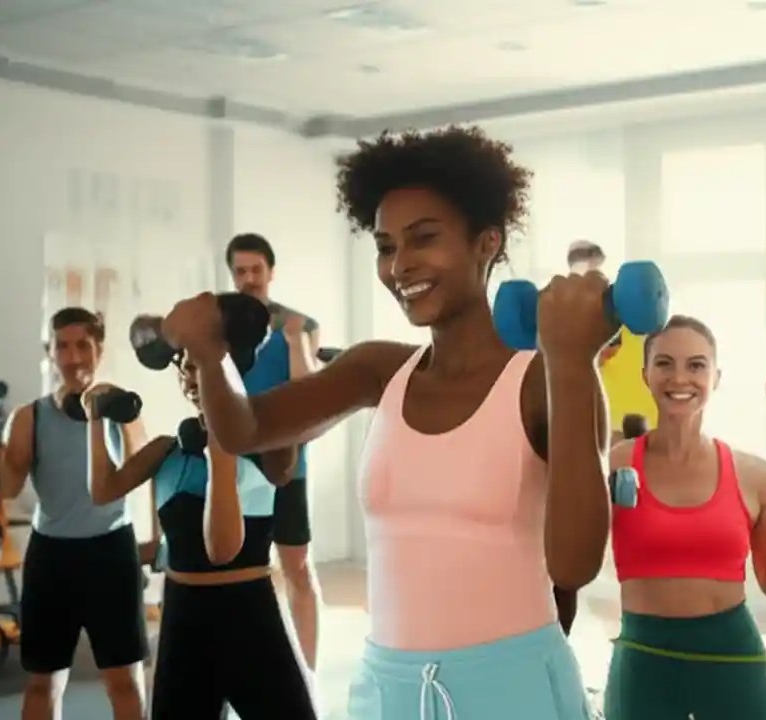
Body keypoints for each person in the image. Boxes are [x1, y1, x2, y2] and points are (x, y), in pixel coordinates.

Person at [161, 125, 609, 720]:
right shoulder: (377, 369)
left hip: (513, 685)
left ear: (486, 243)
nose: (400, 265)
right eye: (385, 246)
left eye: (424, 239)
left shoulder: (539, 382)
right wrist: (211, 355)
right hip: (388, 688)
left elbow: (576, 565)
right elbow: (244, 429)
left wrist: (573, 363)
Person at [603, 314, 766, 719]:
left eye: (696, 365)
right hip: (645, 653)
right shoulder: (614, 465)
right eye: (665, 363)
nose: (680, 378)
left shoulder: (754, 474)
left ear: (716, 377)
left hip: (730, 650)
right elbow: (574, 557)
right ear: (645, 374)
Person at [84, 351, 315, 719]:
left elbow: (221, 548)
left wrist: (219, 452)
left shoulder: (265, 449)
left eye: (203, 365)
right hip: (184, 615)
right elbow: (103, 490)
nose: (192, 376)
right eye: (186, 368)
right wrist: (94, 419)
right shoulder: (167, 449)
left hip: (250, 617)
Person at [0, 308, 152, 720]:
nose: (73, 356)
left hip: (112, 553)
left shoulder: (120, 408)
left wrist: (155, 539)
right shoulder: (30, 416)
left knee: (124, 680)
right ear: (51, 353)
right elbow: (8, 489)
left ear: (99, 350)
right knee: (44, 681)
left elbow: (143, 469)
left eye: (83, 345)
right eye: (62, 346)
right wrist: (10, 456)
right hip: (53, 558)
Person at [225, 232, 324, 671]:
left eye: (256, 270)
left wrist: (295, 341)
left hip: (285, 465)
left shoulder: (298, 326)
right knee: (237, 572)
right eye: (240, 271)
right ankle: (244, 673)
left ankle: (308, 673)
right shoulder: (219, 325)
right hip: (233, 464)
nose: (249, 279)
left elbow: (308, 392)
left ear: (271, 272)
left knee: (296, 567)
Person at [570, 240, 657, 443]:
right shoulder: (580, 326)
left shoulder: (644, 323)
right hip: (609, 431)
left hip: (647, 427)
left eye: (597, 274)